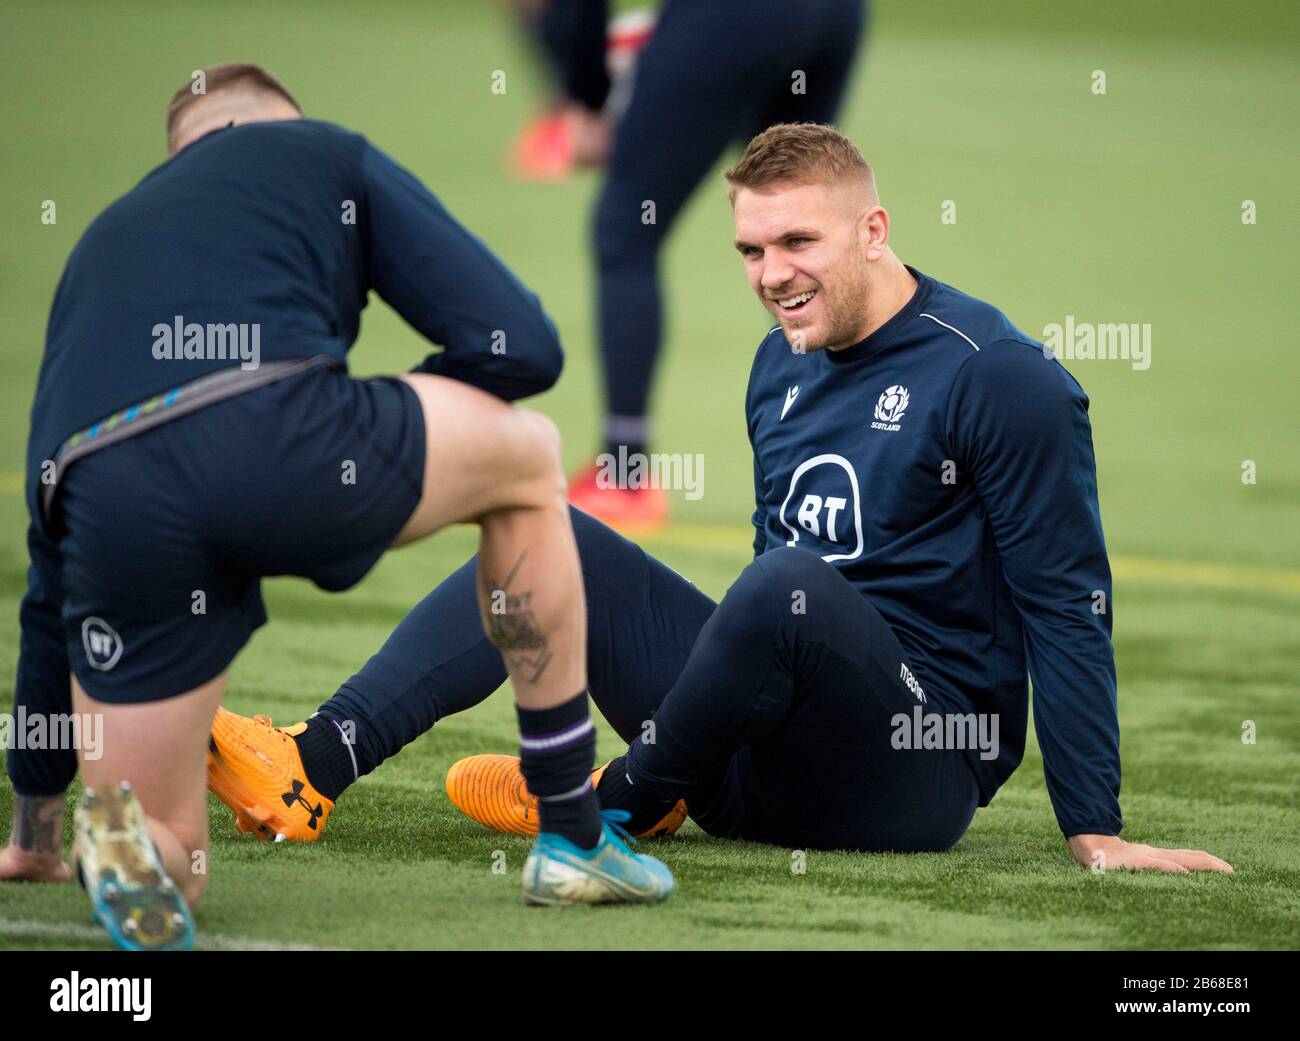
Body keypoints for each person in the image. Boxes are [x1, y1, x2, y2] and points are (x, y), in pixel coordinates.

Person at [207, 123, 1233, 877]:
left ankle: (606, 808)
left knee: (789, 585)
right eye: (751, 250)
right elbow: (764, 573)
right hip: (753, 759)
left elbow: (1066, 601)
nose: (771, 275)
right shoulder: (776, 371)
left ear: (873, 231)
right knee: (547, 530)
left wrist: (1093, 825)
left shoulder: (997, 375)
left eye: (798, 243)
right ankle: (313, 764)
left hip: (913, 772)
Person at [0, 62, 673, 950]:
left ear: (178, 153)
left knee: (176, 858)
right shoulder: (323, 153)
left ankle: (114, 846)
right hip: (290, 431)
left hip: (108, 499)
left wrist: (29, 832)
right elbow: (522, 345)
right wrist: (393, 405)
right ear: (279, 122)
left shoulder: (101, 242)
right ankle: (572, 835)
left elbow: (49, 587)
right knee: (528, 457)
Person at [512, 0, 869, 532]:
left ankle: (624, 473)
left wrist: (585, 100)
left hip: (732, 17)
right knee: (802, 227)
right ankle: (869, 458)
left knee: (625, 231)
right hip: (834, 14)